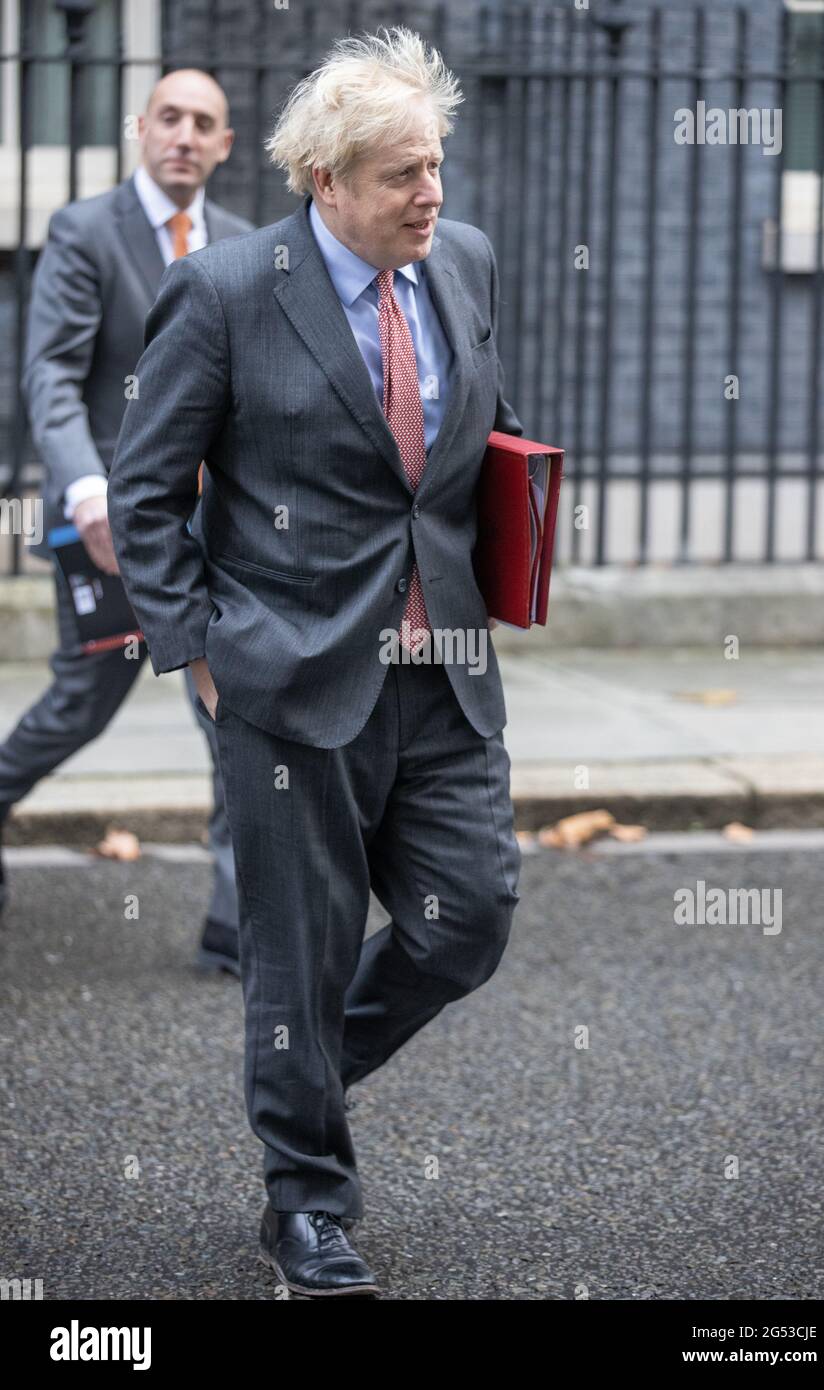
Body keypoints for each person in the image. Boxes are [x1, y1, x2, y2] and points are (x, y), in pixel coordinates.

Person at [107, 26, 523, 1298]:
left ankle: (299, 1070)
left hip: (441, 668)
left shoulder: (462, 260)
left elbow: (477, 435)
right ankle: (308, 1198)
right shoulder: (232, 290)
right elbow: (144, 489)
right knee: (299, 944)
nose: (432, 193)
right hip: (285, 681)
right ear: (324, 180)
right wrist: (200, 655)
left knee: (470, 917)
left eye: (437, 163)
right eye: (402, 173)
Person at [0, 70, 252, 974]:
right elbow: (52, 380)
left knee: (229, 713)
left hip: (211, 530)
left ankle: (235, 924)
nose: (185, 135)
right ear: (141, 129)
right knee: (82, 703)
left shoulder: (243, 244)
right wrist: (88, 491)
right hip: (104, 521)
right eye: (171, 118)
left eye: (205, 124)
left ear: (225, 145)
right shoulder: (83, 231)